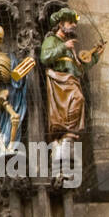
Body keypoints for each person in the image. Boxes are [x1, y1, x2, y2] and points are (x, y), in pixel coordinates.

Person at [39, 8, 104, 144]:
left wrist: (95, 56)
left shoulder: (71, 46)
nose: (74, 25)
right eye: (70, 22)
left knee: (78, 100)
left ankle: (70, 130)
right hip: (60, 81)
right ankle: (64, 131)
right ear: (60, 24)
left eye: (74, 23)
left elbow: (78, 69)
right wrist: (63, 46)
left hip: (71, 80)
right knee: (77, 99)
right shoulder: (52, 40)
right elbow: (45, 58)